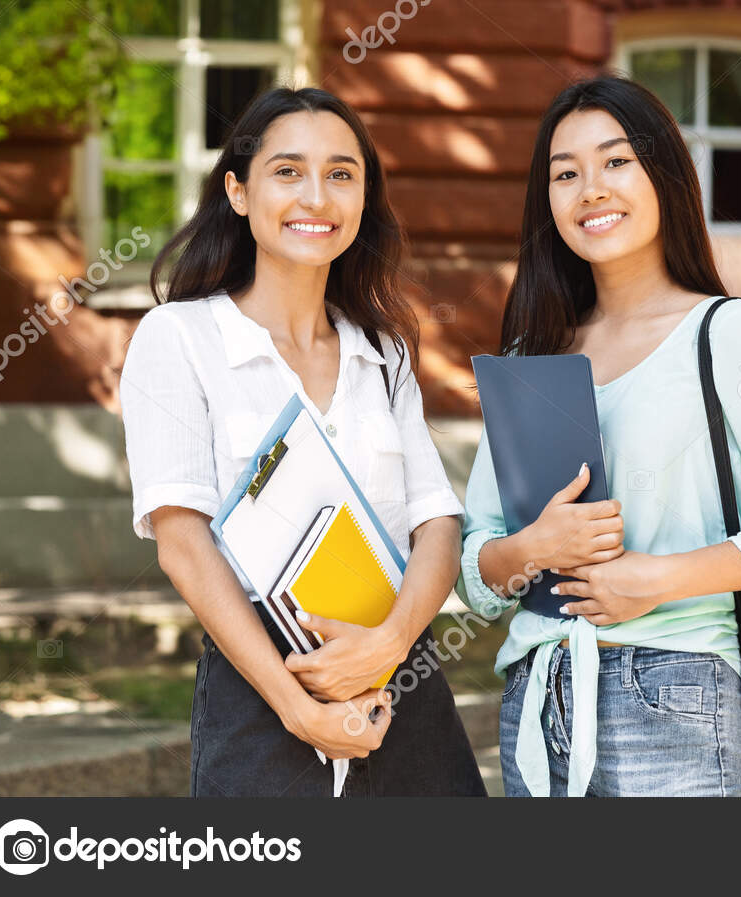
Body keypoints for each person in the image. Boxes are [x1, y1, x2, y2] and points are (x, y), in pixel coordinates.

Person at [460, 76, 741, 797]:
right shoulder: (529, 358)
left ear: (664, 174)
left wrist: (657, 579)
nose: (591, 189)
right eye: (565, 173)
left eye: (616, 161)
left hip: (671, 687)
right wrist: (529, 549)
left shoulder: (727, 335)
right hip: (538, 694)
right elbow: (477, 569)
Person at [120, 87, 485, 797]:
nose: (316, 196)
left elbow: (437, 520)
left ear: (364, 198)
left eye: (342, 174)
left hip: (399, 672)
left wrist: (389, 643)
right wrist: (296, 707)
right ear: (238, 190)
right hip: (264, 686)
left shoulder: (383, 351)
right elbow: (182, 544)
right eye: (287, 171)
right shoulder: (180, 338)